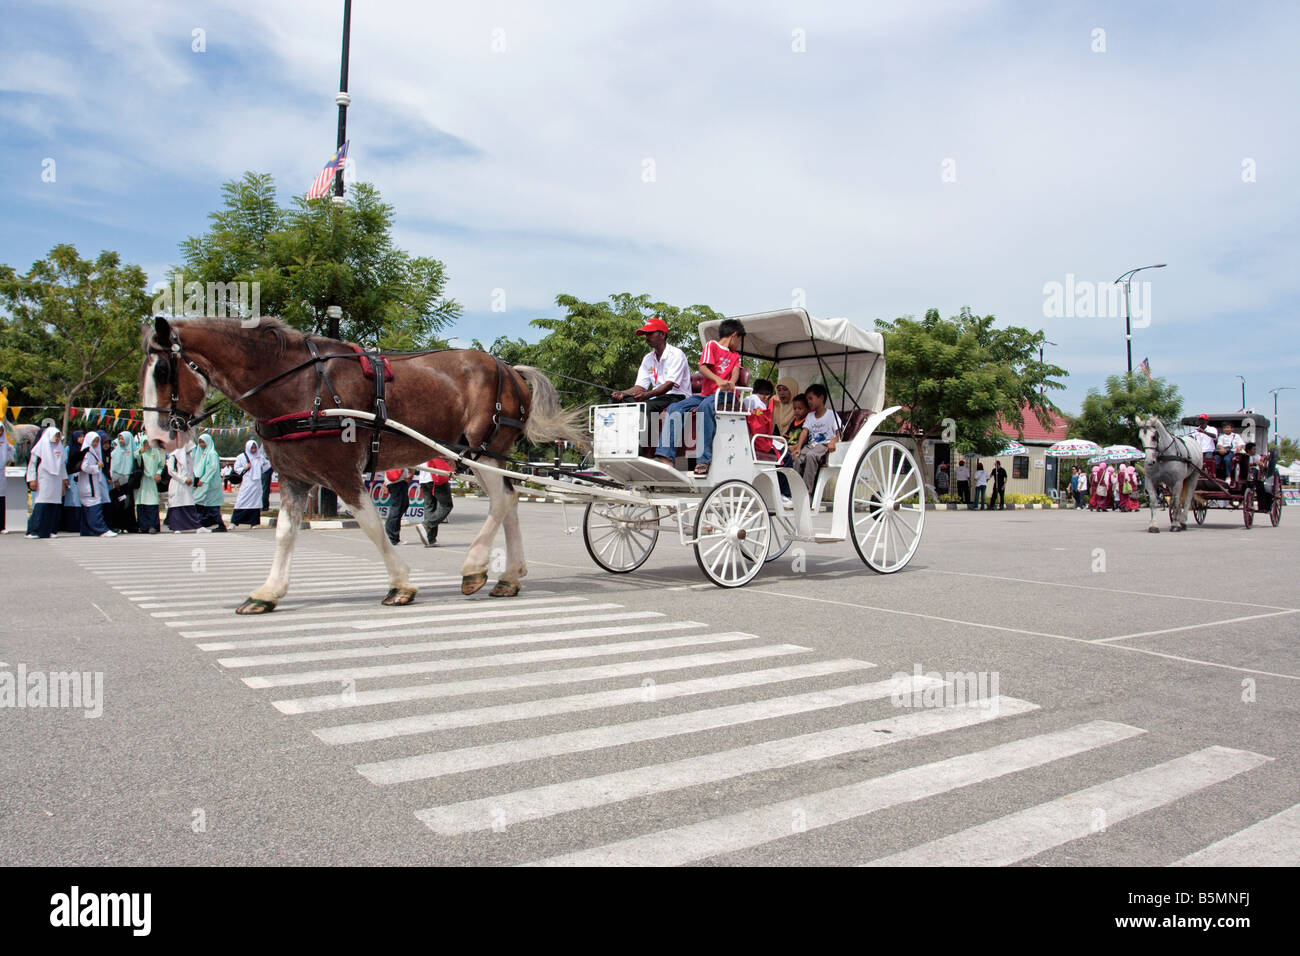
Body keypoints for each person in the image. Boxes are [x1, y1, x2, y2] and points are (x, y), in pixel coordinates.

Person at [655, 318, 745, 473]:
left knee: (705, 406)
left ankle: (703, 459)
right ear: (734, 335)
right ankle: (666, 456)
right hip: (707, 394)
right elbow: (702, 367)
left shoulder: (735, 355)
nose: (738, 344)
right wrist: (718, 379)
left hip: (726, 395)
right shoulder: (712, 346)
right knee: (675, 407)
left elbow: (735, 373)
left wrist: (730, 383)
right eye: (739, 340)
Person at [611, 317, 692, 423]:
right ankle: (618, 436)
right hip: (657, 397)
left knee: (644, 406)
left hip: (677, 396)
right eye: (646, 334)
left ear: (662, 334)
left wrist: (646, 395)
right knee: (620, 401)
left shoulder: (676, 354)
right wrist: (622, 394)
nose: (647, 337)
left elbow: (668, 386)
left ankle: (642, 439)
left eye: (650, 333)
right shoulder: (648, 358)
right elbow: (640, 387)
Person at [791, 384, 841, 496]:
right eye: (807, 399)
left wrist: (833, 442)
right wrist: (798, 447)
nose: (808, 402)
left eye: (811, 398)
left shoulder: (831, 415)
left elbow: (838, 433)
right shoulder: (810, 416)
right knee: (797, 458)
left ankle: (806, 493)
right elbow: (804, 432)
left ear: (821, 398)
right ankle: (794, 493)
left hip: (824, 445)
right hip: (810, 445)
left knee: (811, 456)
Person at [23, 426, 66, 538]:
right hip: (44, 478)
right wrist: (32, 479)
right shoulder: (40, 447)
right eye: (55, 436)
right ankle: (35, 530)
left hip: (56, 480)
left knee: (54, 505)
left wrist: (63, 483)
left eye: (58, 436)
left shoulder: (60, 448)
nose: (57, 438)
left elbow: (62, 467)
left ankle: (50, 530)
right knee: (42, 504)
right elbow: (32, 464)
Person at [75, 432, 115, 536]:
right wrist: (98, 467)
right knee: (94, 506)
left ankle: (87, 530)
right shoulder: (87, 453)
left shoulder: (93, 452)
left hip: (91, 483)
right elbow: (84, 467)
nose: (96, 443)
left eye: (97, 441)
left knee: (88, 506)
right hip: (89, 484)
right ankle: (100, 529)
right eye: (94, 441)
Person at [230, 439, 271, 528]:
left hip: (257, 484)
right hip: (247, 482)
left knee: (255, 503)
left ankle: (253, 523)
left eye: (255, 448)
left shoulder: (259, 456)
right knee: (241, 501)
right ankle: (234, 522)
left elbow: (267, 464)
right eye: (252, 448)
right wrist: (245, 468)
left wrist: (261, 470)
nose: (254, 450)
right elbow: (236, 468)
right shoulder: (241, 457)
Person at [192, 433, 227, 532]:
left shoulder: (212, 453)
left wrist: (203, 479)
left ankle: (220, 525)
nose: (202, 444)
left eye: (204, 442)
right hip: (205, 484)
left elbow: (213, 468)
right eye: (200, 442)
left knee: (212, 506)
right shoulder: (204, 454)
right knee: (201, 503)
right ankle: (201, 523)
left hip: (211, 484)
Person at [164, 441, 202, 532]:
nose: (190, 451)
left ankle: (197, 526)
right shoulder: (174, 456)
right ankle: (176, 527)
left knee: (189, 505)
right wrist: (184, 479)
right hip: (177, 485)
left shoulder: (189, 458)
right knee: (177, 506)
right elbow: (171, 471)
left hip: (187, 487)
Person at [420, 457, 455, 546]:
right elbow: (443, 454)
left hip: (423, 478)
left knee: (430, 507)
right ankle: (426, 525)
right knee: (446, 505)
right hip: (436, 475)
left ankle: (430, 539)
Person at [108, 432, 136, 532]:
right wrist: (115, 480)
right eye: (119, 439)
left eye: (122, 439)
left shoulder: (133, 451)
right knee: (120, 505)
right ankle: (118, 526)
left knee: (129, 504)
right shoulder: (116, 452)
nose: (120, 441)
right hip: (119, 482)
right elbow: (113, 468)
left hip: (129, 482)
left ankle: (129, 526)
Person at [135, 438, 164, 533]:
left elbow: (161, 465)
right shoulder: (139, 451)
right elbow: (133, 459)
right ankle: (143, 527)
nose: (147, 444)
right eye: (145, 442)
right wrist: (140, 452)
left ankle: (152, 526)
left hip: (152, 482)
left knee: (152, 502)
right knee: (141, 502)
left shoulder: (155, 451)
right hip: (142, 481)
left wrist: (158, 473)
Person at [61, 430, 84, 533]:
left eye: (83, 436)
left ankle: (79, 525)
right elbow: (64, 463)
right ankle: (70, 525)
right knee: (71, 500)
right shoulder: (68, 449)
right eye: (80, 437)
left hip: (81, 477)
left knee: (80, 500)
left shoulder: (84, 449)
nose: (82, 438)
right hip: (70, 477)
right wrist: (64, 478)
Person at [384, 467, 411, 545]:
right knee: (397, 509)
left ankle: (391, 534)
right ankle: (392, 537)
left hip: (396, 481)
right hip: (398, 481)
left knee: (402, 506)